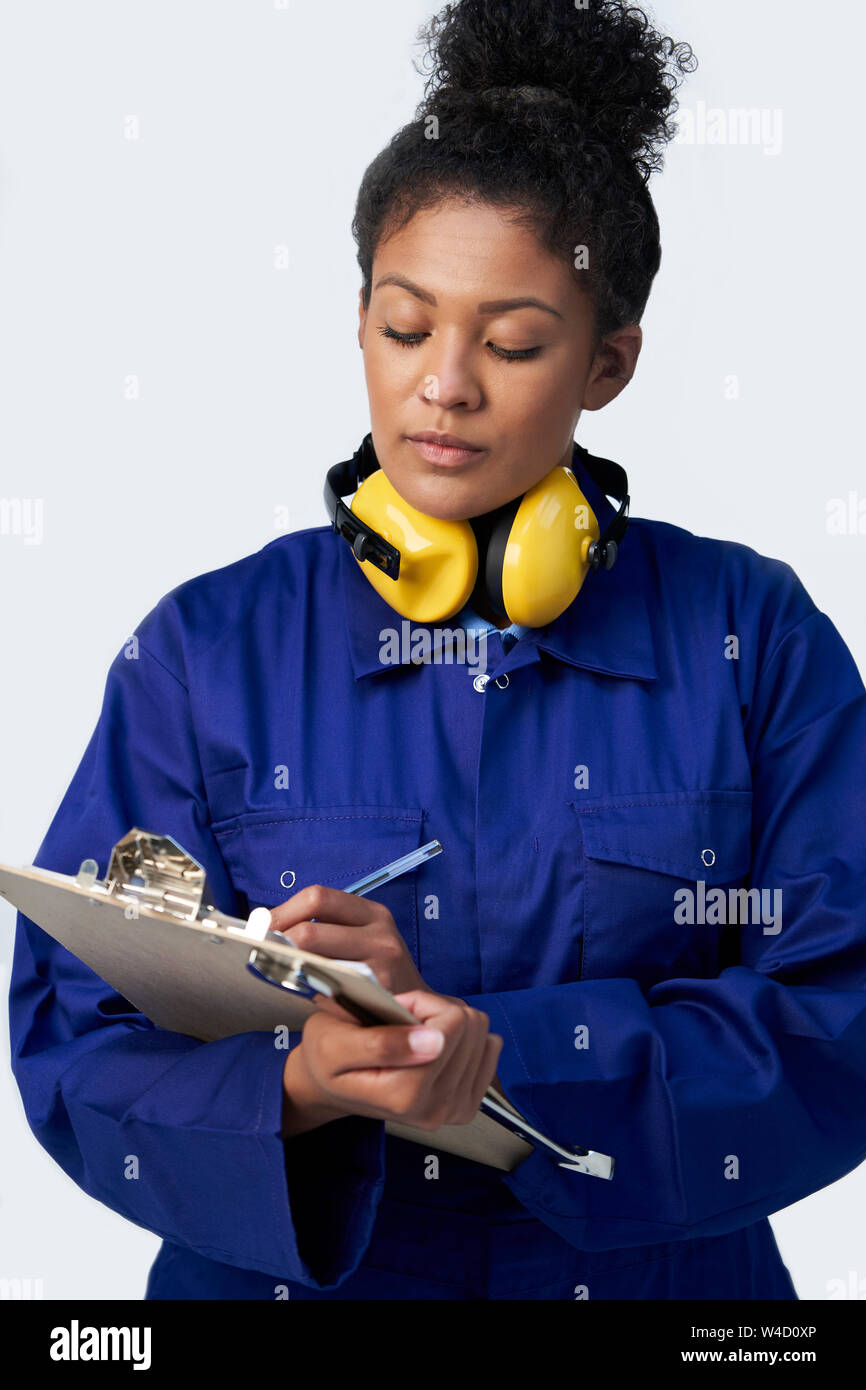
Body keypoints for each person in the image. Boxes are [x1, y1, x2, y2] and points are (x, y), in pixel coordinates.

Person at [9, 0, 866, 1302]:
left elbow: (842, 1014)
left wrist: (505, 1052)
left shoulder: (754, 638)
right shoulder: (202, 649)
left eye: (513, 341)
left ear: (609, 361)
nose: (444, 384)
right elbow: (74, 1035)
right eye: (405, 327)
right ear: (359, 321)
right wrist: (292, 1087)